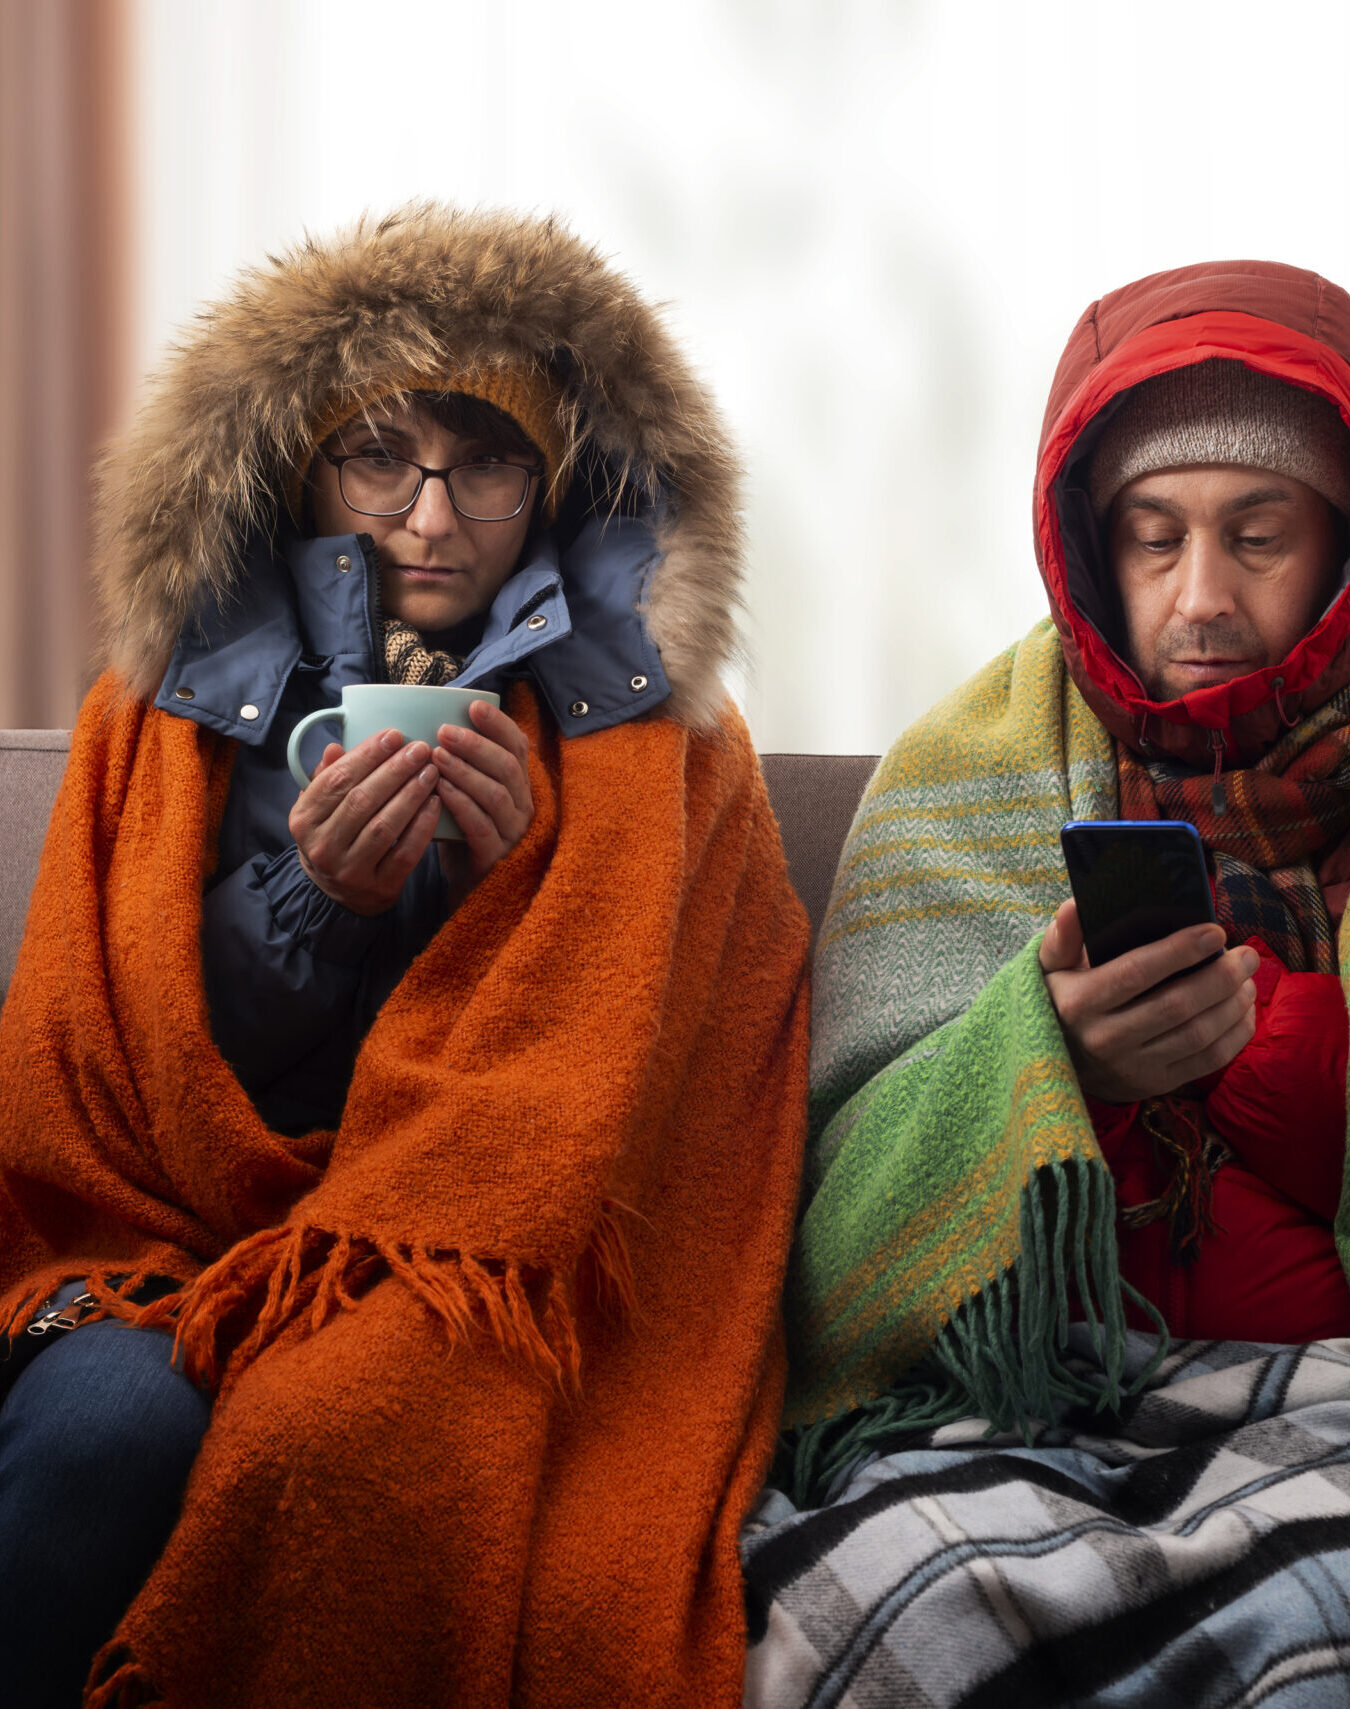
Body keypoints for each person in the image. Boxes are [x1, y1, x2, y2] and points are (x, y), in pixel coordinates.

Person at [756, 260, 1350, 1698]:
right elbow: (832, 1238)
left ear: (1349, 544)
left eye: (1257, 536)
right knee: (899, 1595)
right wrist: (1047, 1058)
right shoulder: (950, 792)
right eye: (1153, 539)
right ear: (1089, 551)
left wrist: (1308, 1064)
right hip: (1019, 1416)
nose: (1199, 597)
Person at [0, 205, 809, 1708]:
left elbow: (676, 1108)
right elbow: (107, 1076)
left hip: (491, 1272)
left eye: (486, 462)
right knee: (114, 1426)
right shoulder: (156, 718)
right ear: (300, 468)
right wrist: (307, 896)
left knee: (357, 1428)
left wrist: (526, 895)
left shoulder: (668, 750)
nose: (432, 518)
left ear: (558, 481)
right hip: (158, 1252)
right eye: (383, 457)